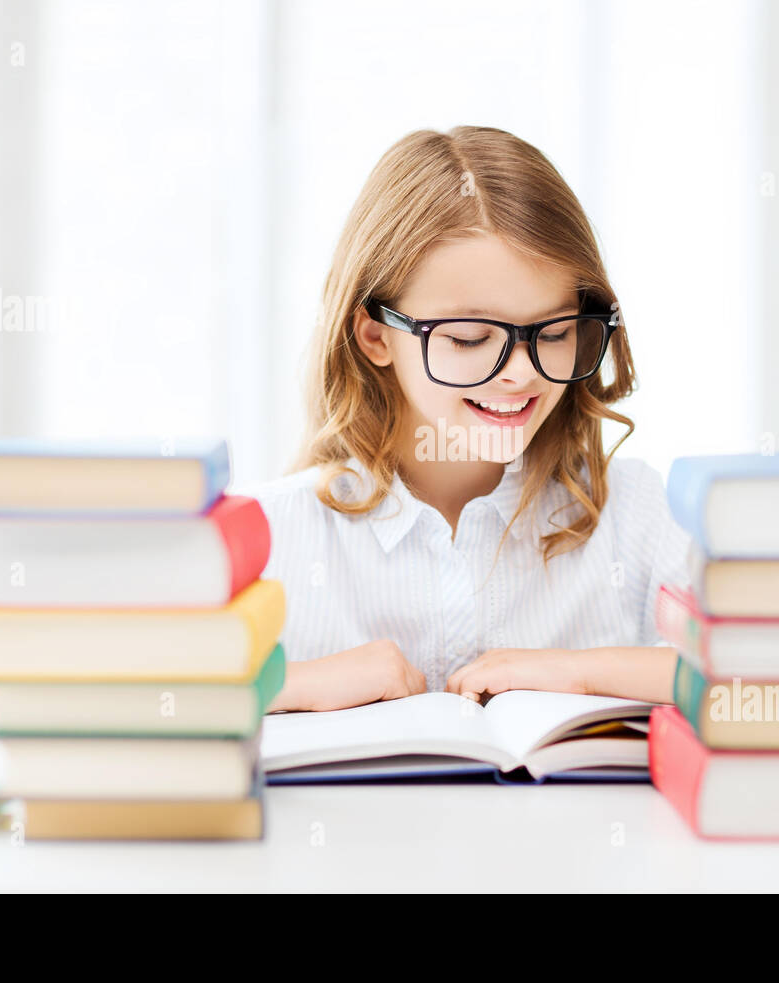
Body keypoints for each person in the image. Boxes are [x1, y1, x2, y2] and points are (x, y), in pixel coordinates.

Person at [253, 125, 691, 712]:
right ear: (375, 335)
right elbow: (142, 701)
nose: (519, 374)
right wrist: (290, 686)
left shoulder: (634, 513)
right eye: (469, 339)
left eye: (555, 333)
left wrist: (583, 673)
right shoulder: (274, 535)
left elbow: (770, 681)